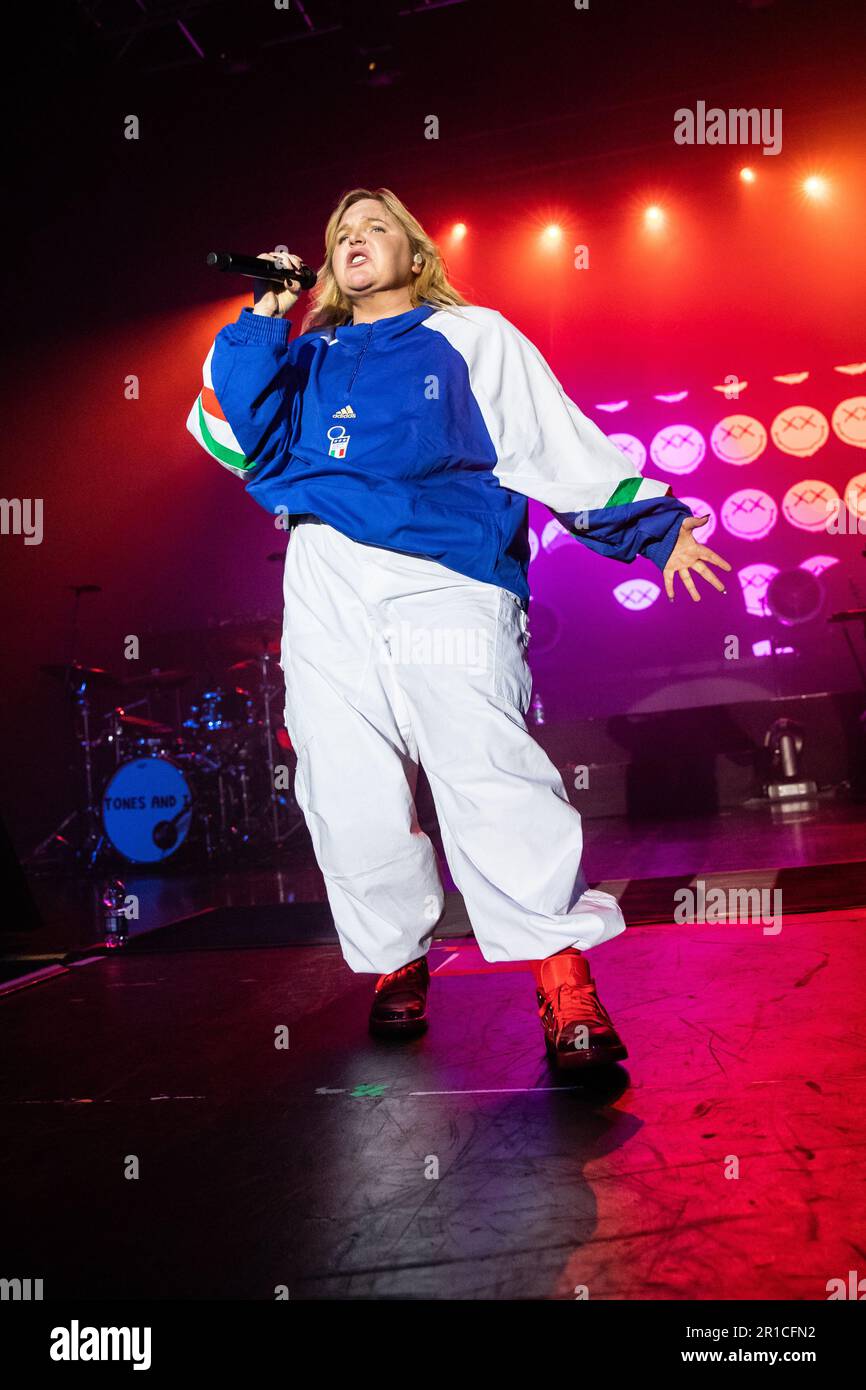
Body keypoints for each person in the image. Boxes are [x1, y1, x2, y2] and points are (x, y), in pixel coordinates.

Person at [187, 186, 731, 1070]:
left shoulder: (474, 337)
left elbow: (555, 442)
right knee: (344, 781)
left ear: (416, 253)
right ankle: (399, 959)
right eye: (340, 236)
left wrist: (654, 526)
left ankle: (560, 971)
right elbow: (233, 432)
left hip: (445, 571)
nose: (355, 242)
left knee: (484, 765)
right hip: (325, 576)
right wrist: (263, 319)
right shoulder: (304, 354)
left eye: (375, 228)